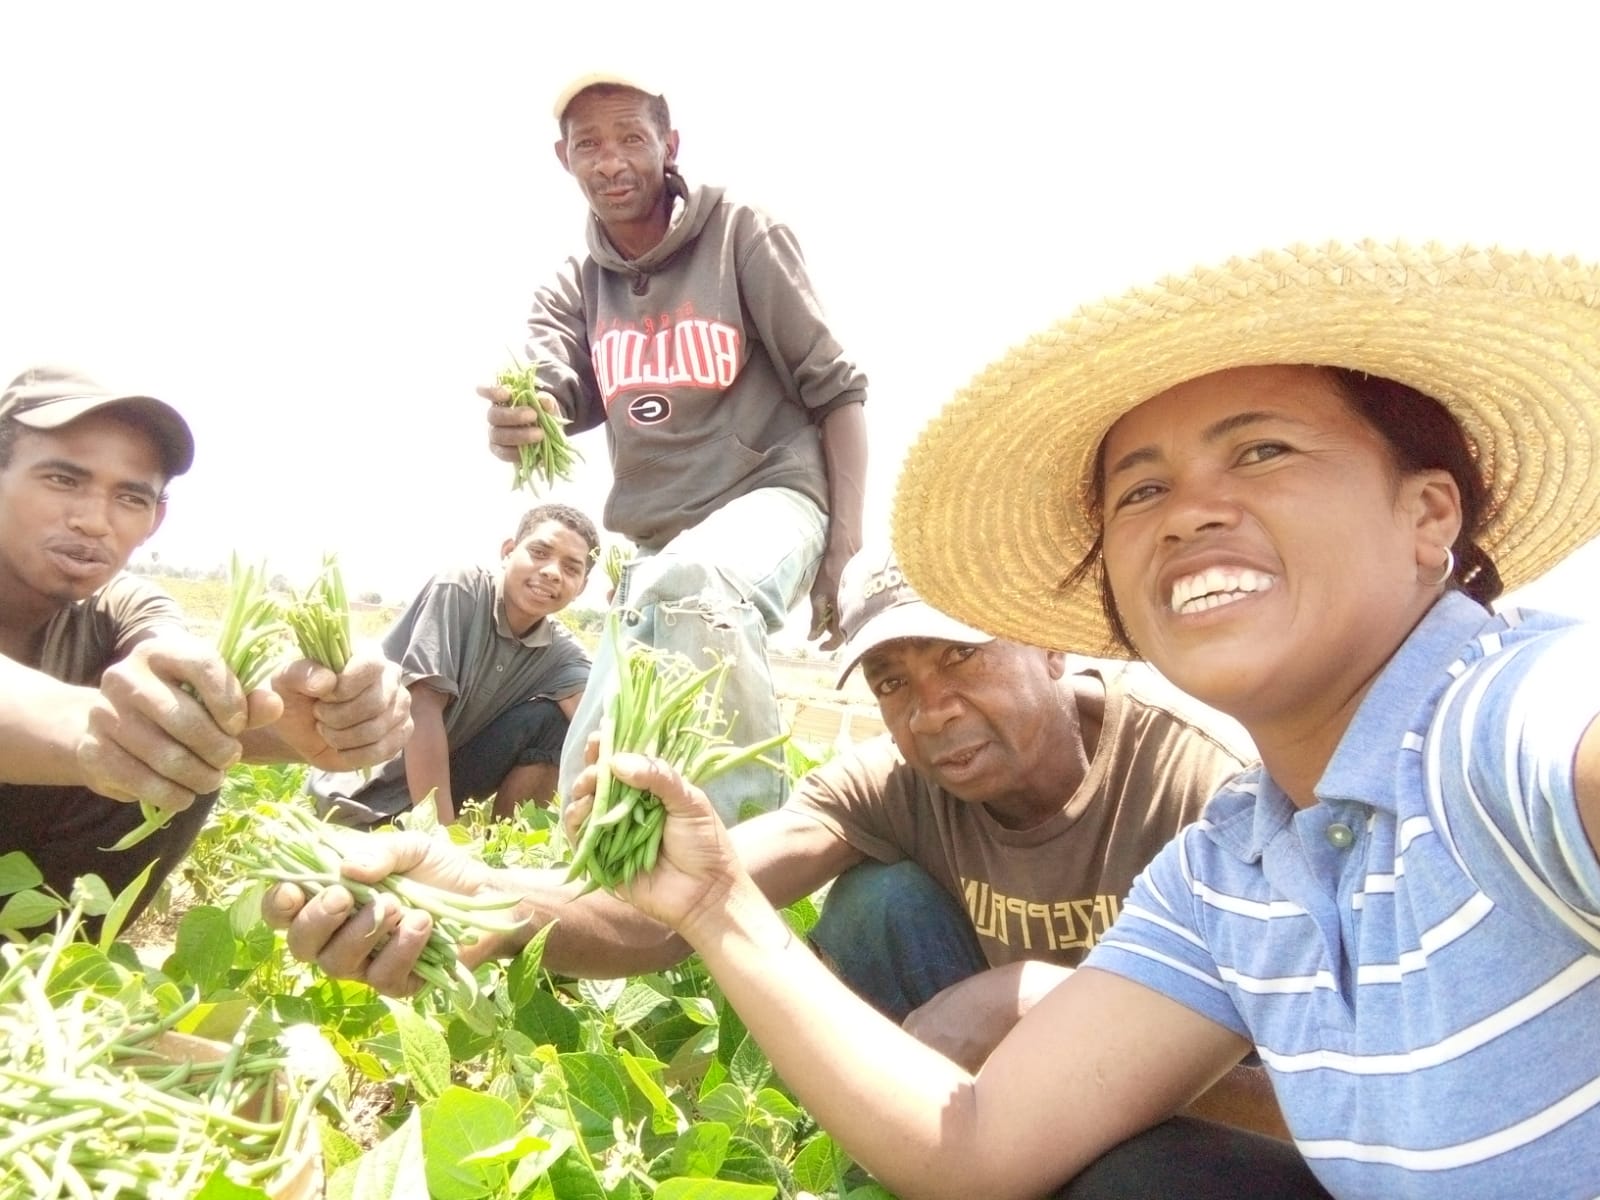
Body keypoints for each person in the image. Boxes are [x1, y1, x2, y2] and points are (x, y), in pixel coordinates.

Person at [535, 240, 1600, 1198]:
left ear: (1428, 516)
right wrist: (711, 904)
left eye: (1262, 452)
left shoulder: (1500, 731)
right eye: (1139, 493)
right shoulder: (1235, 866)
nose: (1188, 511)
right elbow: (980, 1143)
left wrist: (1029, 1003)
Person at [266, 544, 1297, 1143]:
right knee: (877, 903)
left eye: (961, 660)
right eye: (893, 682)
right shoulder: (898, 783)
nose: (932, 711)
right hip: (982, 1089)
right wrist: (483, 900)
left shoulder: (1202, 781)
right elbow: (666, 916)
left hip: (1201, 1101)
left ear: (1048, 639)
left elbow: (1335, 1088)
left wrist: (1060, 1034)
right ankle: (901, 1149)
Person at [479, 68, 869, 822]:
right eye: (589, 143)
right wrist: (528, 413)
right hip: (659, 549)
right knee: (592, 772)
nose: (612, 160)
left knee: (699, 584)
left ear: (669, 145)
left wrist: (841, 550)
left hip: (773, 498)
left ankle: (750, 867)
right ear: (564, 158)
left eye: (631, 137)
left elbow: (839, 390)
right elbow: (553, 373)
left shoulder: (739, 234)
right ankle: (610, 912)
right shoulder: (577, 284)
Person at [0, 364, 412, 925]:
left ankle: (50, 967)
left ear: (156, 518)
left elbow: (182, 677)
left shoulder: (124, 606)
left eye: (129, 497)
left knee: (184, 762)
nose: (95, 520)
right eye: (63, 480)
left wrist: (304, 716)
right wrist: (99, 731)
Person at [310, 504, 596, 826]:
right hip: (359, 791)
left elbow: (598, 726)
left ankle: (502, 849)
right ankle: (435, 837)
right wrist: (440, 841)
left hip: (440, 781)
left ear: (582, 587)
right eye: (539, 552)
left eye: (571, 569)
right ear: (508, 551)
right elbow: (422, 708)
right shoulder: (461, 587)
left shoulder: (561, 653)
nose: (552, 572)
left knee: (553, 724)